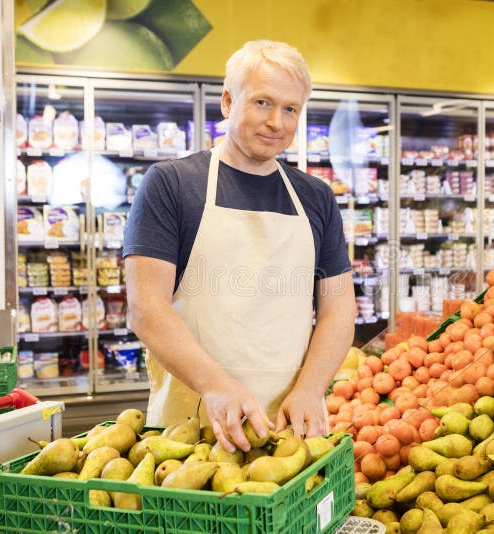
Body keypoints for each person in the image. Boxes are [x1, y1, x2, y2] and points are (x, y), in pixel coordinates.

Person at [124, 40, 356, 453]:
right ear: (228, 102)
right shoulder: (172, 184)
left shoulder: (316, 197)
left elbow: (339, 308)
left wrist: (310, 388)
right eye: (262, 102)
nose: (276, 122)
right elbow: (147, 308)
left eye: (290, 109)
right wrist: (216, 385)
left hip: (289, 428)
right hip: (192, 429)